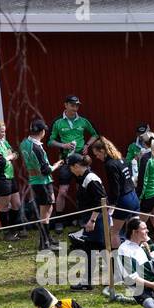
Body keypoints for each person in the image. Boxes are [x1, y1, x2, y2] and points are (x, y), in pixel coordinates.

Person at [48, 96, 98, 231]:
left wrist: (88, 144)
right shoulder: (58, 122)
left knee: (83, 190)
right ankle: (59, 220)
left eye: (77, 106)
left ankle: (83, 218)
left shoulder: (83, 121)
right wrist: (63, 145)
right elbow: (50, 141)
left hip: (81, 160)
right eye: (72, 105)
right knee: (63, 191)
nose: (75, 108)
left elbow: (95, 134)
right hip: (66, 161)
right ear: (65, 105)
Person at [87, 135, 139, 247]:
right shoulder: (121, 159)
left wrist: (112, 205)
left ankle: (117, 261)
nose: (97, 157)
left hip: (124, 200)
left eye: (97, 154)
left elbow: (115, 188)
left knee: (114, 232)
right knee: (136, 231)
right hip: (134, 197)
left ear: (103, 151)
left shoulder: (109, 165)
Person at [66, 152, 109, 285]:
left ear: (77, 165)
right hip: (91, 219)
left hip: (97, 219)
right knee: (97, 249)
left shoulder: (91, 179)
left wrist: (92, 221)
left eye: (71, 167)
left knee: (94, 249)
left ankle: (87, 282)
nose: (70, 170)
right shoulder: (82, 177)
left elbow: (101, 201)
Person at [20, 119, 60, 250]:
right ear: (42, 132)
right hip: (43, 181)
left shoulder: (24, 143)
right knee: (46, 212)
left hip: (34, 180)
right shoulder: (37, 148)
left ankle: (47, 239)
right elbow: (46, 170)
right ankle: (44, 243)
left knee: (46, 210)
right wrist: (56, 165)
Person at [0, 119, 24, 241]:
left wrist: (10, 156)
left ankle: (15, 228)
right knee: (4, 205)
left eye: (4, 132)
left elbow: (16, 153)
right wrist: (10, 156)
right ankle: (7, 232)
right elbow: (1, 162)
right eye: (1, 132)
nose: (4, 134)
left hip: (10, 176)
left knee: (16, 203)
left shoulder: (3, 142)